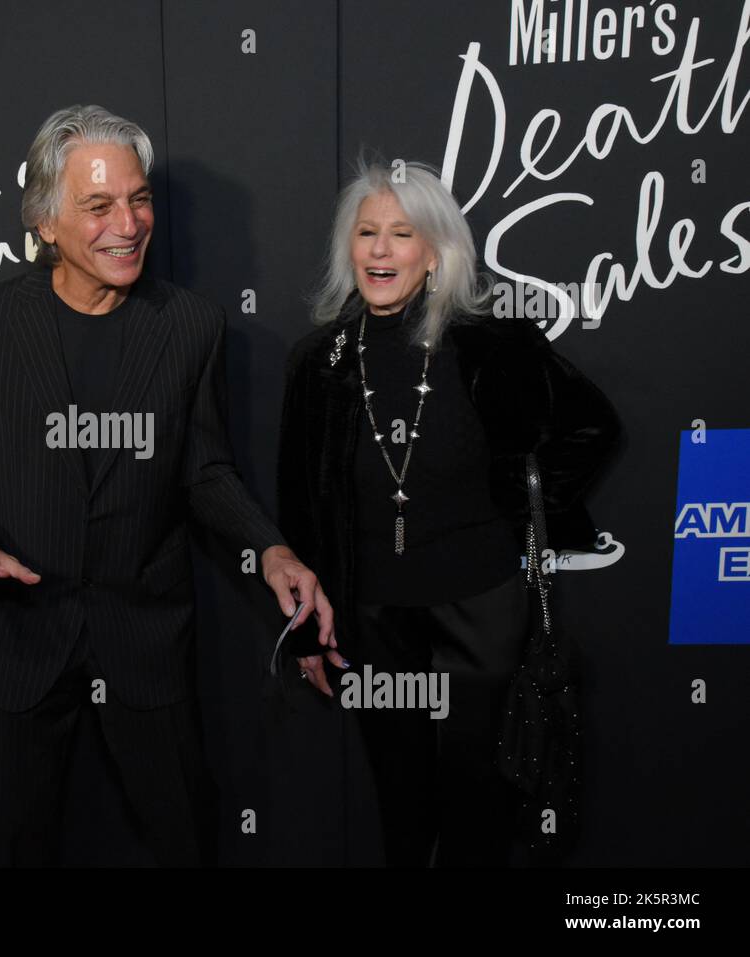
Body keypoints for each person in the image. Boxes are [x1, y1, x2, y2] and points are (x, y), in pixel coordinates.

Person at [0, 104, 333, 866]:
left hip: (143, 633)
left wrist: (270, 548)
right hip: (21, 634)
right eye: (99, 204)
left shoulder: (190, 326)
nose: (129, 222)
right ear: (45, 222)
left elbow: (205, 469)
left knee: (184, 837)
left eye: (139, 198)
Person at [277, 159, 620, 866]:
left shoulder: (492, 343)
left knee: (478, 798)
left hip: (481, 609)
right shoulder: (321, 362)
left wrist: (519, 512)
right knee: (400, 797)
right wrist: (310, 629)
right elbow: (301, 500)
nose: (379, 250)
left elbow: (592, 428)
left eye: (401, 234)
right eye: (366, 232)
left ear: (435, 251)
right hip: (373, 619)